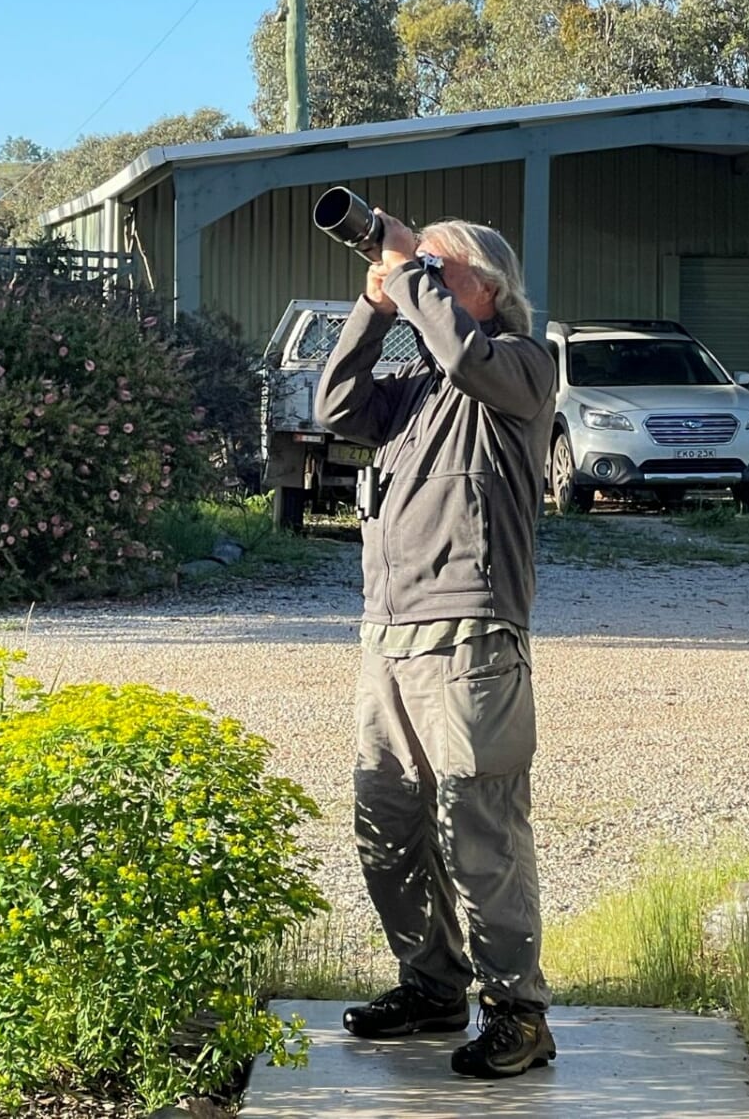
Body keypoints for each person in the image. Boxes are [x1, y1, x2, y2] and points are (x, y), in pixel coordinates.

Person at [314, 211, 557, 1081]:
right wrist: (373, 307)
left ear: (486, 289)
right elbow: (336, 406)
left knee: (477, 829)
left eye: (437, 269)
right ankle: (429, 986)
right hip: (388, 630)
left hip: (470, 632)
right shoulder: (418, 384)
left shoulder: (520, 368)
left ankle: (517, 1014)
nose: (417, 276)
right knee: (388, 823)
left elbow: (463, 354)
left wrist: (409, 265)